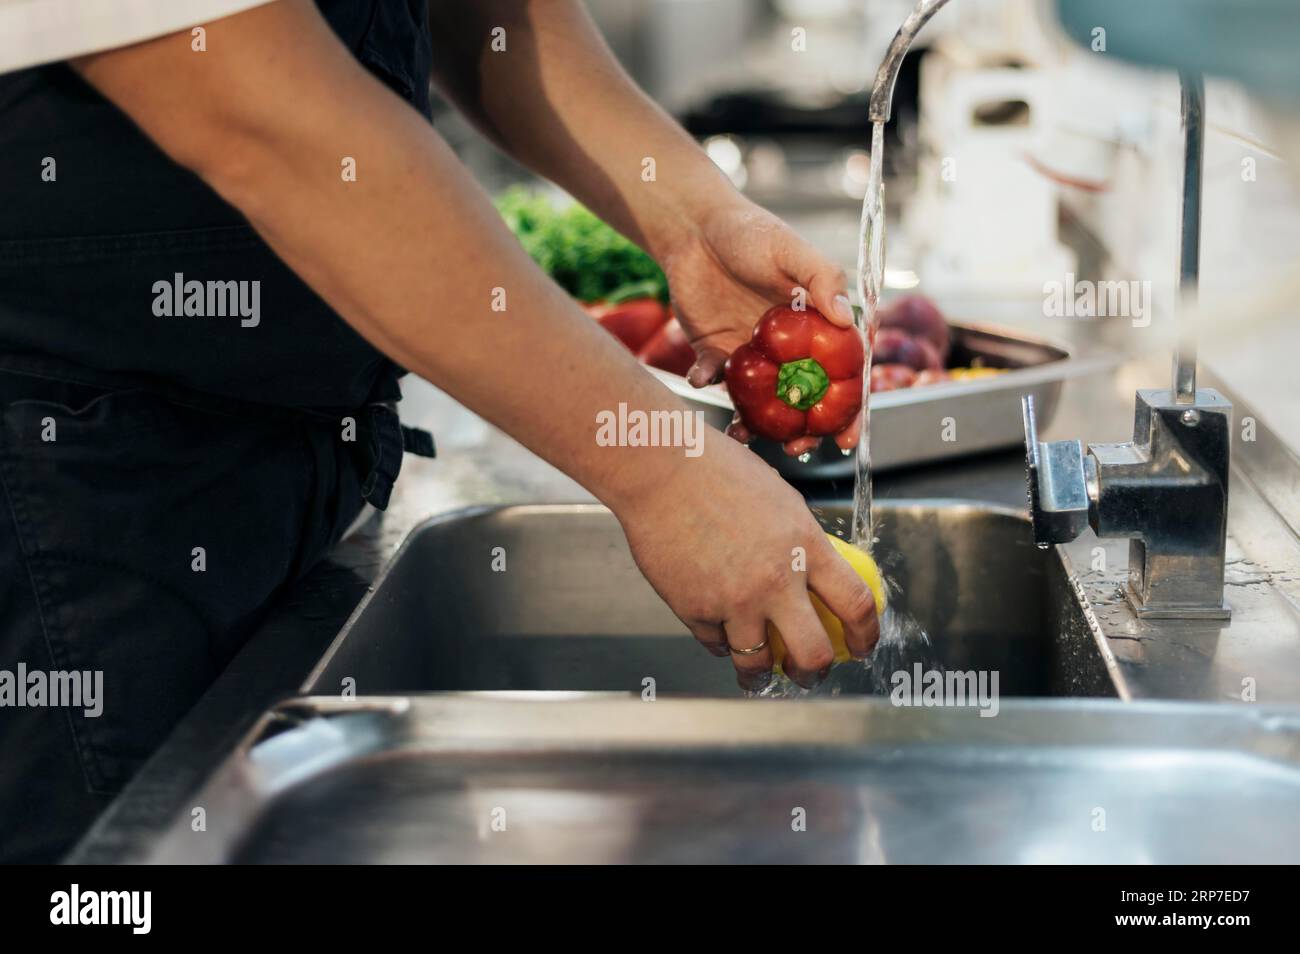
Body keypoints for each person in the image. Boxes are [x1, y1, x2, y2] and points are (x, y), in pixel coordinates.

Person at [0, 0, 879, 862]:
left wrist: (692, 222)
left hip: (262, 468)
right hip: (63, 499)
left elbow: (484, 14)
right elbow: (264, 118)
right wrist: (664, 472)